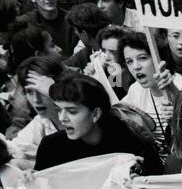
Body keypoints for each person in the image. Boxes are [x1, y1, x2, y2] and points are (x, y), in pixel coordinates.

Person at [34, 73, 163, 173]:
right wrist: (30, 178)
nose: (62, 118)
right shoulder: (51, 147)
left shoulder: (132, 144)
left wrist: (140, 173)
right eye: (59, 110)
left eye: (72, 111)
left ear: (95, 114)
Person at [119, 30, 182, 151]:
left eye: (142, 58)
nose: (136, 66)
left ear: (159, 58)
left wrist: (176, 97)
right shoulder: (135, 90)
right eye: (129, 61)